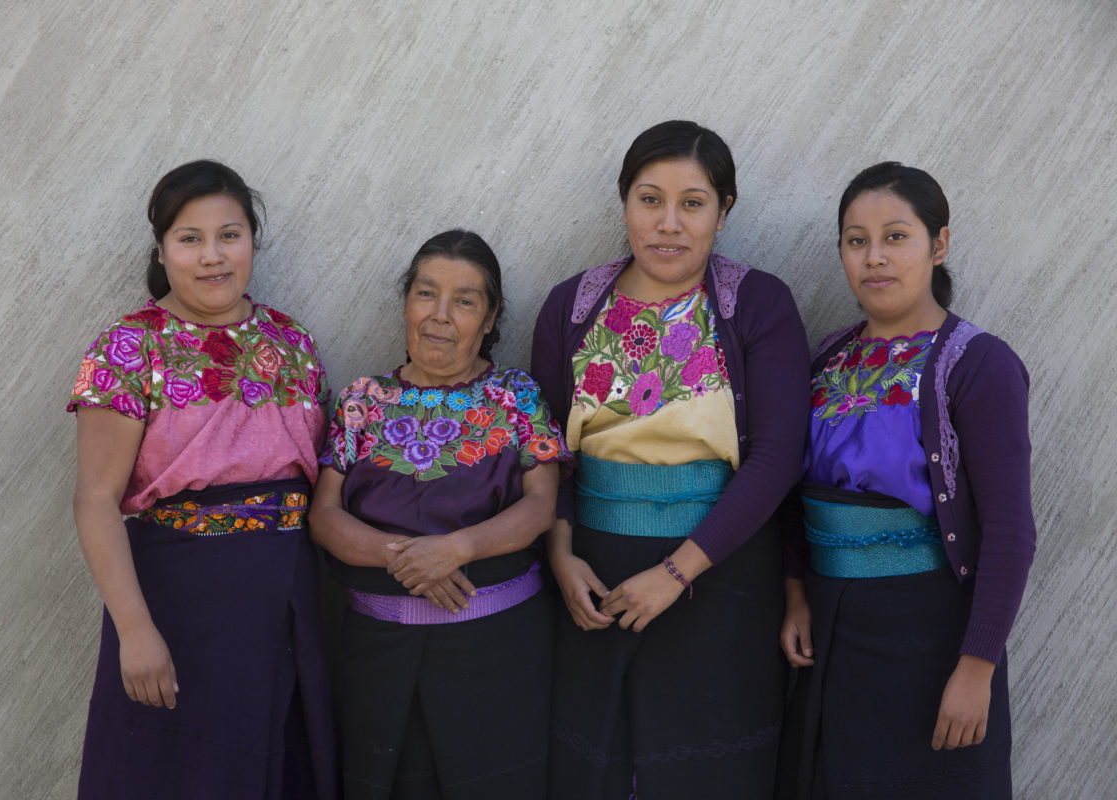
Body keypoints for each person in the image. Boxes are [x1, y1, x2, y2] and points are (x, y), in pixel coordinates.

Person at [531, 120, 810, 799]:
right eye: (650, 199)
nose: (669, 223)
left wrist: (675, 574)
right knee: (598, 766)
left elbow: (776, 457)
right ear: (624, 203)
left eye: (694, 203)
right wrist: (561, 556)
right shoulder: (573, 306)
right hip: (593, 583)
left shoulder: (757, 304)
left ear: (724, 211)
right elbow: (545, 453)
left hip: (719, 574)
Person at [67, 160, 337, 798]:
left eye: (230, 234)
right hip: (180, 605)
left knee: (280, 766)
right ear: (162, 249)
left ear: (253, 239)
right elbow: (95, 500)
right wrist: (135, 630)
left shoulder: (291, 341)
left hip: (288, 595)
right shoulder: (129, 348)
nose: (213, 256)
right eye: (190, 239)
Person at [775, 162, 1037, 799]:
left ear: (938, 244)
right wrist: (796, 597)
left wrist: (977, 668)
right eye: (856, 240)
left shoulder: (976, 364)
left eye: (896, 237)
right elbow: (788, 491)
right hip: (835, 635)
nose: (874, 258)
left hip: (935, 638)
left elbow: (1009, 530)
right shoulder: (826, 361)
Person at [311, 229, 570, 799]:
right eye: (426, 294)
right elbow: (324, 514)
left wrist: (457, 549)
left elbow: (540, 505)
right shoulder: (362, 399)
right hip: (378, 655)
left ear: (490, 315)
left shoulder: (515, 396)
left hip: (499, 652)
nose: (441, 316)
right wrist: (400, 556)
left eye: (466, 300)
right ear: (406, 302)